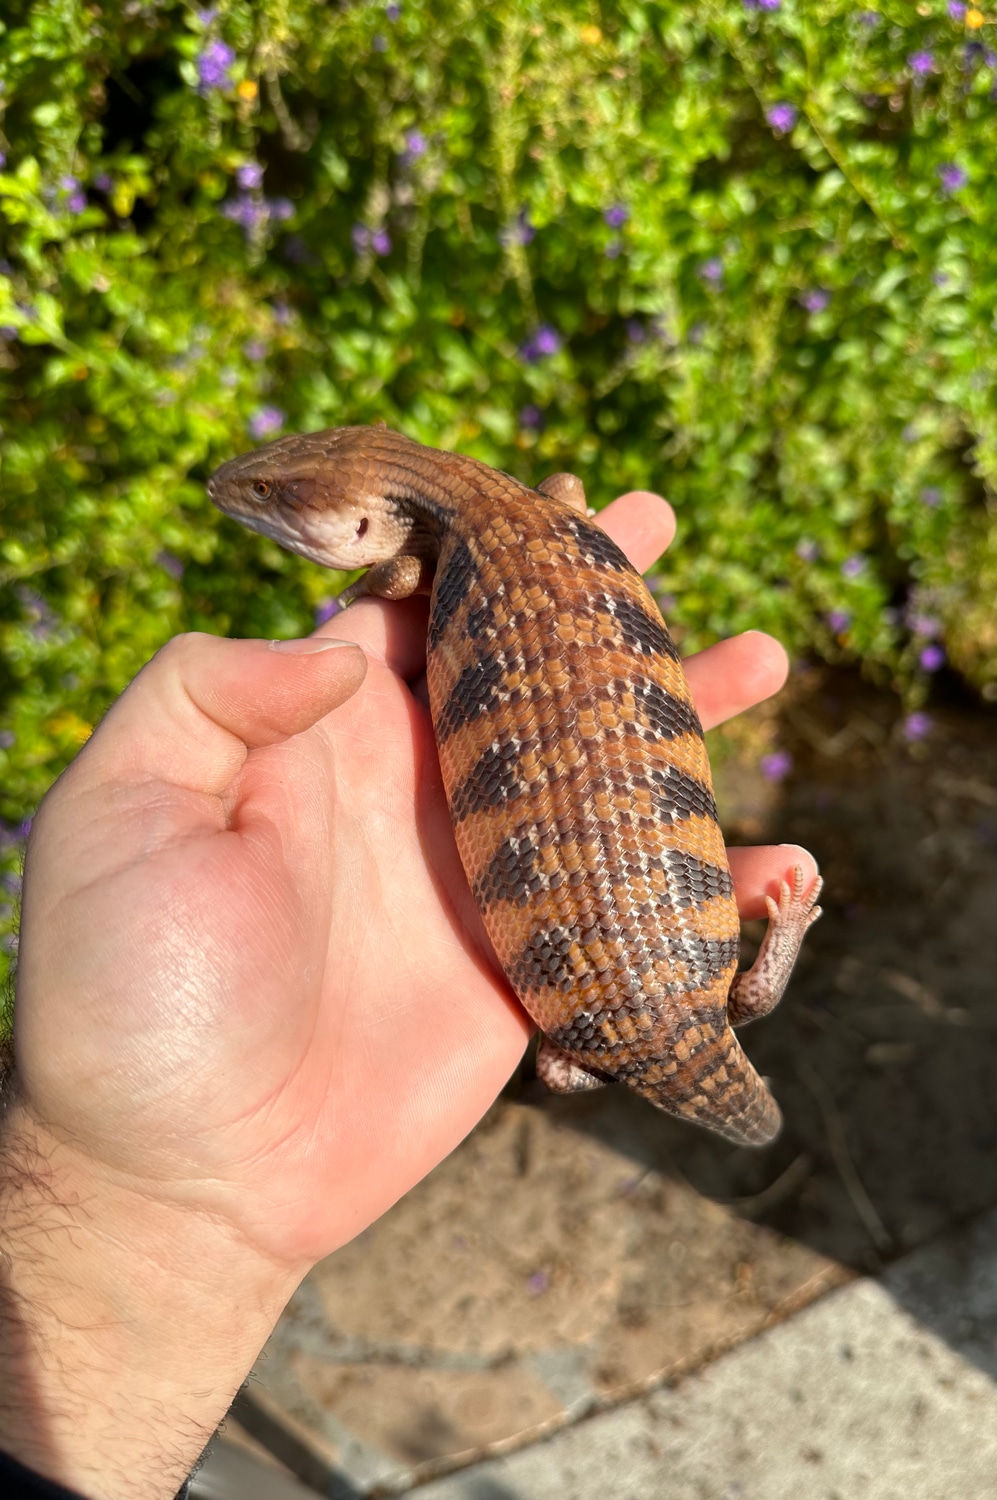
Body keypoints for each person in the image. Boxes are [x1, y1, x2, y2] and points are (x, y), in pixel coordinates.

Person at [0, 488, 817, 1500]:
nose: (243, 504)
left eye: (271, 500)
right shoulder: (482, 530)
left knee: (602, 1052)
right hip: (636, 947)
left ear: (365, 519)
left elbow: (711, 1021)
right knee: (641, 1039)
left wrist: (136, 1200)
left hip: (613, 954)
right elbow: (734, 1010)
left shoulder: (420, 559)